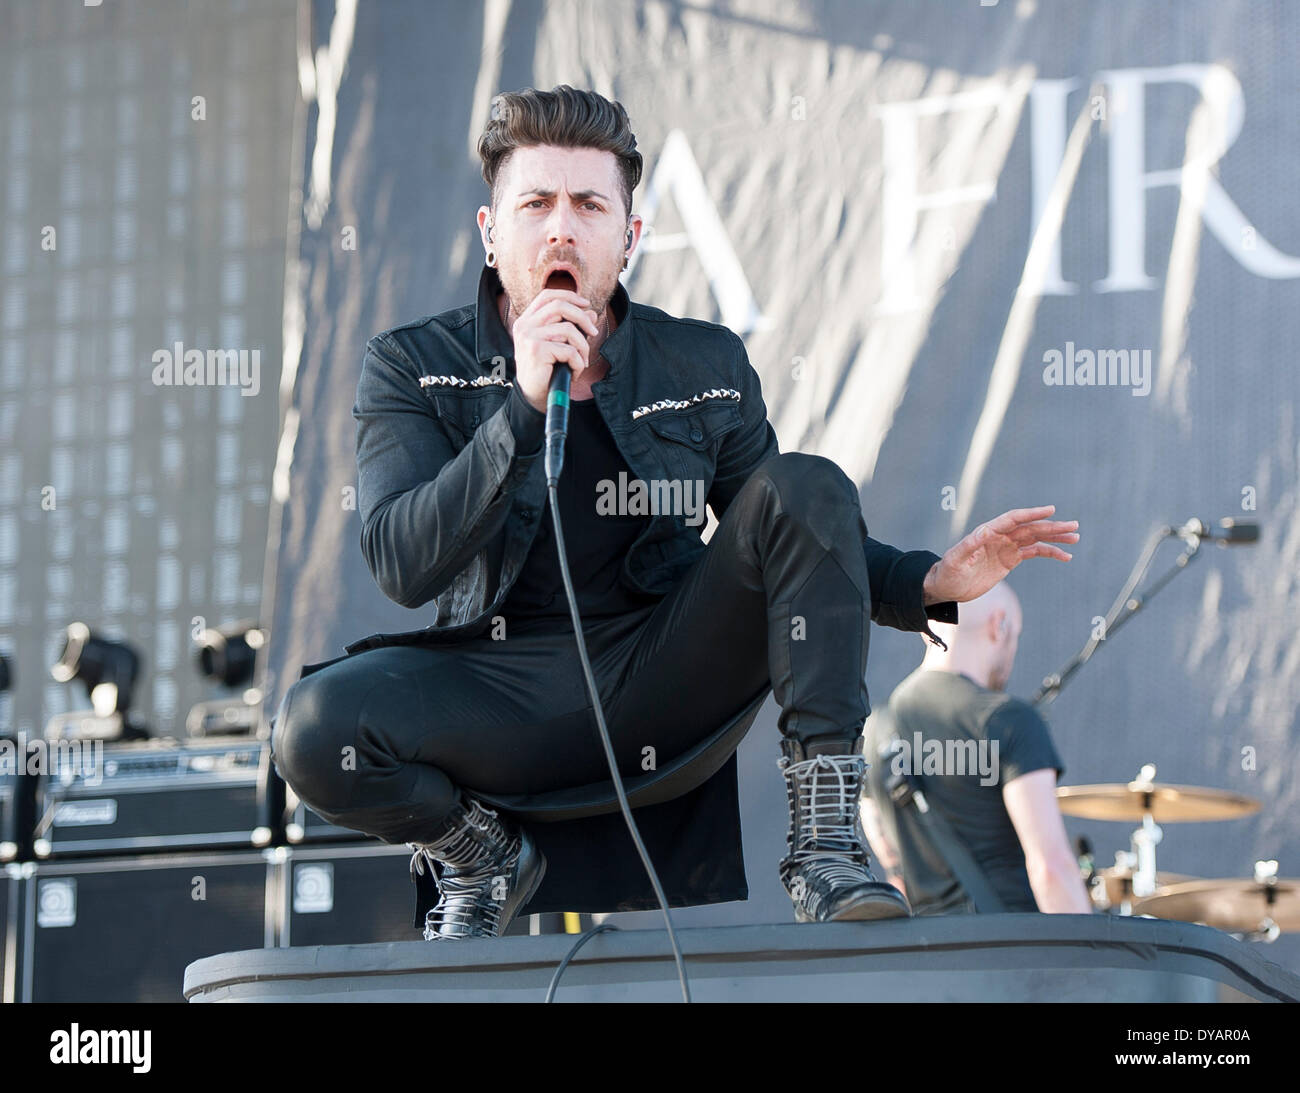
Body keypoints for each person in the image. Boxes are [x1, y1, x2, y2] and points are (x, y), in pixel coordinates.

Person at [269, 85, 1081, 940]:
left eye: (589, 205)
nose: (560, 228)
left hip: (658, 668)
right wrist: (517, 407)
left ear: (629, 237)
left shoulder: (701, 363)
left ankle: (825, 846)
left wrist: (932, 583)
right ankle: (481, 854)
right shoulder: (413, 366)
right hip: (496, 686)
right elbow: (403, 563)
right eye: (536, 203)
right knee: (314, 729)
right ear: (490, 232)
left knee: (808, 480)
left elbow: (798, 530)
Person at [860, 581, 1093, 914]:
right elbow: (1050, 868)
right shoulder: (1007, 719)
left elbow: (892, 867)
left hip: (928, 956)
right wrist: (1086, 961)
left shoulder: (874, 732)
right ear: (999, 625)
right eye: (1015, 636)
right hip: (1011, 952)